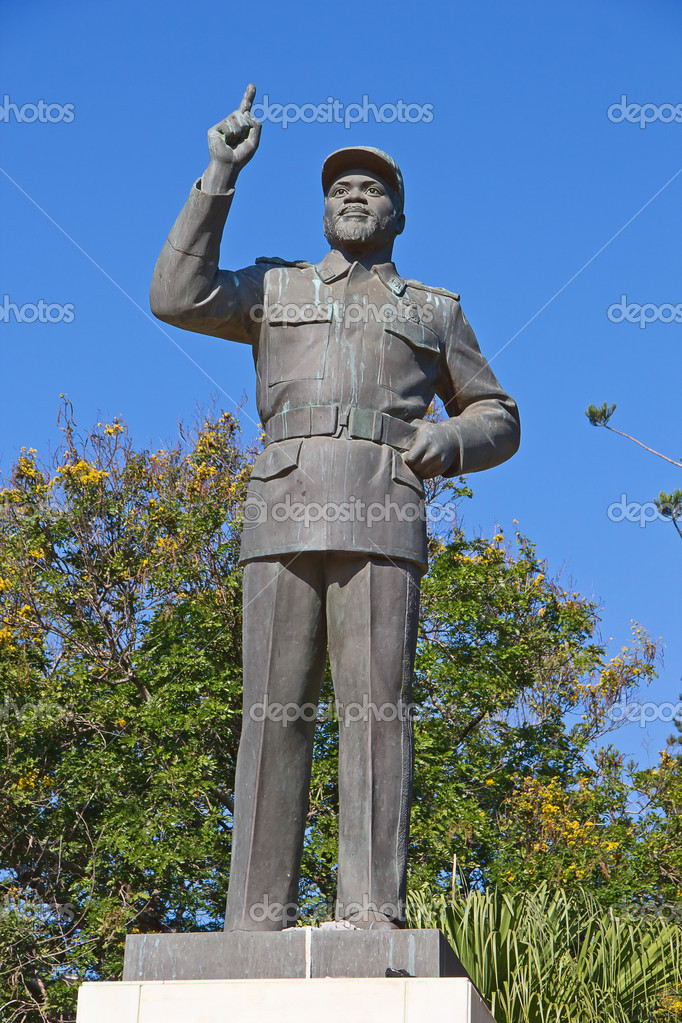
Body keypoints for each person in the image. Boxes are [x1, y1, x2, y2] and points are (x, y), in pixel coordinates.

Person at [150, 84, 520, 932]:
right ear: (323, 209)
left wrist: (452, 443)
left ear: (398, 214)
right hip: (282, 510)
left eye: (372, 189)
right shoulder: (274, 288)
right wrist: (219, 174)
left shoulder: (434, 309)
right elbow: (174, 294)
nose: (353, 196)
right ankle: (252, 916)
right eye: (339, 188)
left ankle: (368, 912)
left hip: (383, 515)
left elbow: (499, 412)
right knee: (272, 713)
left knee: (377, 712)